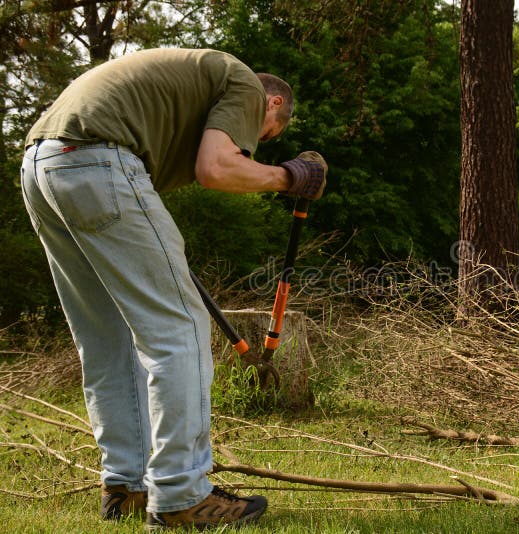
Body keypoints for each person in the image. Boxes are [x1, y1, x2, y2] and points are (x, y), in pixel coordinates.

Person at [19, 48, 326, 530]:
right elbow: (218, 169)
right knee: (179, 330)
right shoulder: (245, 84)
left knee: (107, 339)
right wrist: (291, 176)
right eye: (263, 137)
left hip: (43, 165)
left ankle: (126, 486)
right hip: (97, 159)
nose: (253, 148)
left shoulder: (184, 94)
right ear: (272, 105)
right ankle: (182, 495)